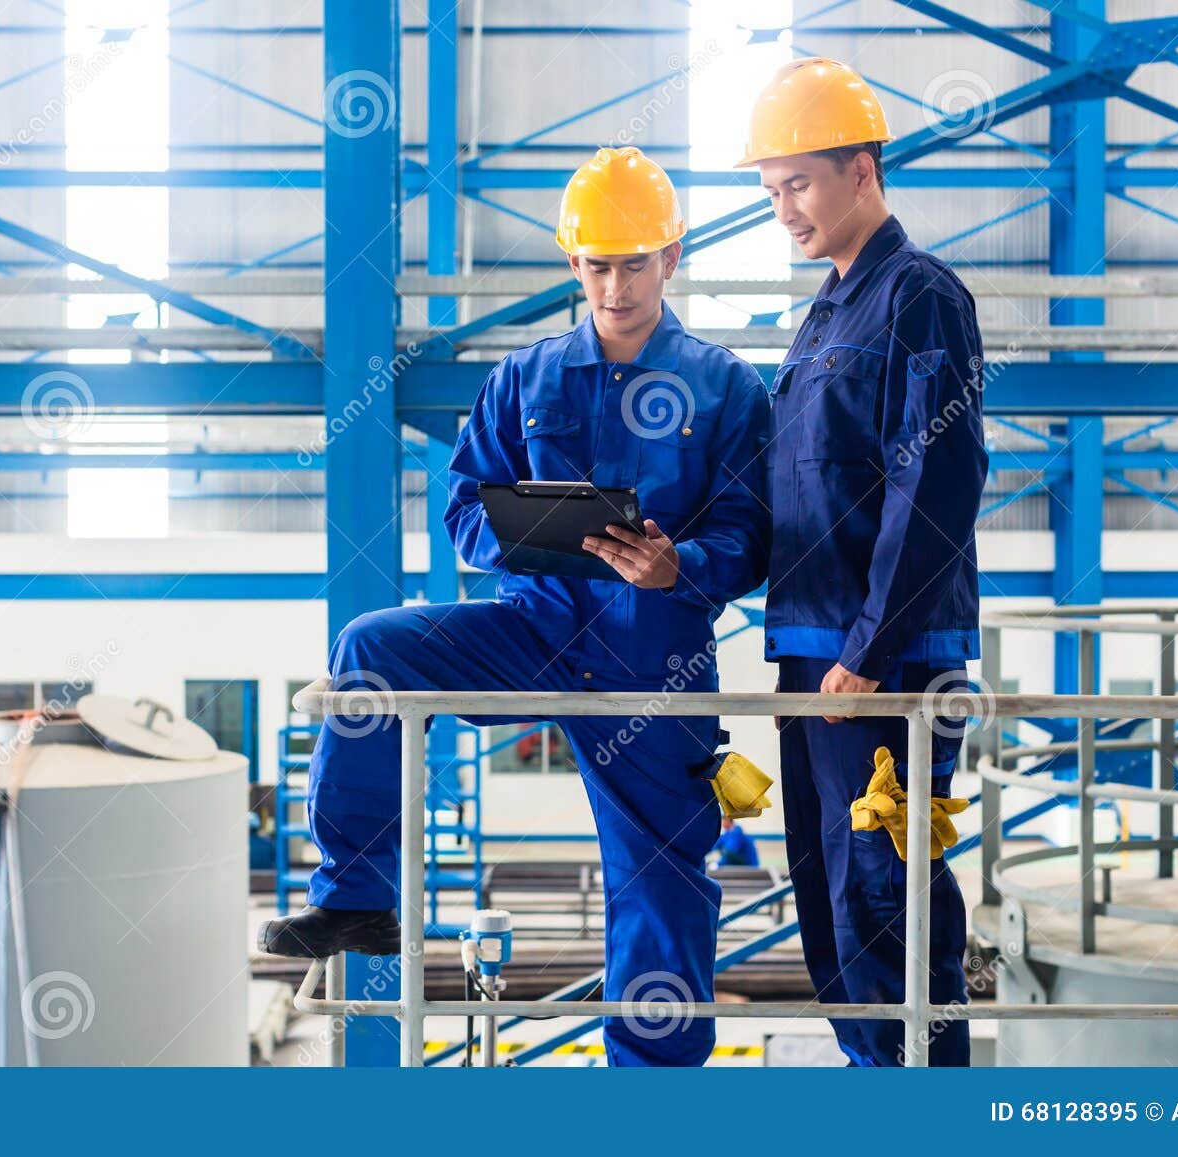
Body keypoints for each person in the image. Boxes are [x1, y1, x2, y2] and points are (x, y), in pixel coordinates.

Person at [260, 146, 772, 1067]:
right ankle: (358, 894)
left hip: (652, 665)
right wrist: (528, 535)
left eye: (635, 263)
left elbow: (752, 534)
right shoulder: (524, 379)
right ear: (573, 264)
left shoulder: (727, 387)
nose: (615, 287)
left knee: (659, 886)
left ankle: (653, 1097)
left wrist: (677, 566)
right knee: (368, 648)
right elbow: (463, 504)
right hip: (533, 630)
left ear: (672, 257)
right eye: (597, 265)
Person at [737, 58, 988, 1067]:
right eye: (769, 191)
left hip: (879, 660)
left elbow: (936, 479)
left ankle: (918, 1097)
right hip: (813, 652)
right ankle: (869, 1076)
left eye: (798, 182)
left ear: (862, 169)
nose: (783, 209)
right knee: (825, 889)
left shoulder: (917, 296)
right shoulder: (821, 315)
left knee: (882, 888)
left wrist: (872, 649)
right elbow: (791, 489)